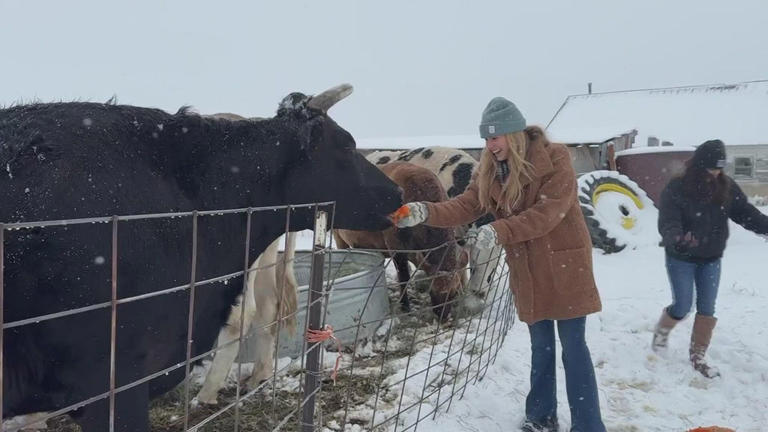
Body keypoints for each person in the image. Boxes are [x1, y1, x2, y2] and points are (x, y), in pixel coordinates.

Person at [395, 97, 606, 432]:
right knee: (541, 347)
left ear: (514, 134)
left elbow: (548, 212)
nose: (490, 145)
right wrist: (426, 211)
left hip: (563, 264)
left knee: (573, 347)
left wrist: (499, 230)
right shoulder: (489, 169)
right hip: (528, 267)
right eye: (486, 138)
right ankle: (541, 417)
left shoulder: (555, 159)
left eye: (495, 137)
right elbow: (466, 205)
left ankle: (588, 425)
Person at [653, 139, 768, 378]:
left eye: (719, 168)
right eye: (711, 168)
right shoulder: (677, 187)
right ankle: (661, 334)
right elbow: (668, 220)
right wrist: (677, 237)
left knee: (707, 308)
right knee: (683, 305)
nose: (715, 173)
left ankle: (698, 355)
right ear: (699, 165)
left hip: (711, 258)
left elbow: (746, 214)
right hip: (681, 256)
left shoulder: (726, 187)